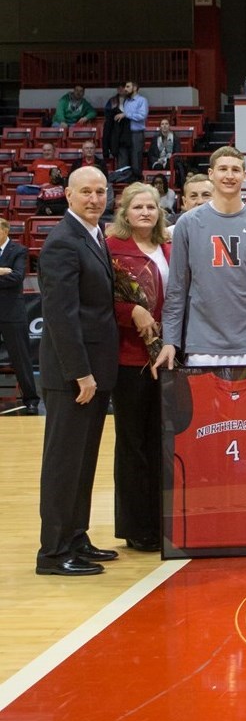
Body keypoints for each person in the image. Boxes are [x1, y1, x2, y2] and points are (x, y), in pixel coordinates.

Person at [36, 166, 119, 576]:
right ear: (68, 195)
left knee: (83, 462)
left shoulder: (93, 235)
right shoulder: (61, 243)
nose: (94, 198)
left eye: (101, 191)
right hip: (74, 376)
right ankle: (53, 552)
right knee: (63, 464)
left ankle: (76, 537)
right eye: (85, 191)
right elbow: (61, 317)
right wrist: (81, 373)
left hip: (93, 372)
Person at [154, 147, 246, 372]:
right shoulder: (188, 223)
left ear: (245, 175)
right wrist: (170, 340)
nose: (229, 175)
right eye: (223, 169)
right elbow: (177, 289)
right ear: (211, 174)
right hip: (201, 345)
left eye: (235, 170)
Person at [106, 182, 169, 553]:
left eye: (151, 207)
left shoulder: (168, 248)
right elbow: (101, 302)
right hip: (129, 358)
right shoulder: (112, 248)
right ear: (125, 213)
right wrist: (132, 311)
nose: (145, 212)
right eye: (138, 207)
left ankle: (160, 519)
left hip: (165, 357)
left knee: (160, 441)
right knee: (133, 445)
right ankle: (135, 526)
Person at [0, 218, 38, 414]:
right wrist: (1, 272)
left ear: (5, 230)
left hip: (11, 312)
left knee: (21, 357)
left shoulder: (18, 251)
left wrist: (9, 274)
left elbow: (16, 278)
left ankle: (31, 398)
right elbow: (9, 276)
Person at [118, 81, 149, 180]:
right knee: (124, 158)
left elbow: (142, 115)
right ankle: (123, 181)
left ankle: (136, 181)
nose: (125, 89)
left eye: (128, 87)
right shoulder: (126, 101)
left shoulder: (142, 100)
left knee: (136, 158)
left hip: (136, 133)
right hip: (126, 133)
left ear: (135, 88)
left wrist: (126, 115)